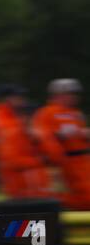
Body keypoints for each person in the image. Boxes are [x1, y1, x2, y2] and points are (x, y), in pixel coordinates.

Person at [33, 78, 90, 210]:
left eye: (75, 94)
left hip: (82, 160)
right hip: (64, 161)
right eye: (71, 93)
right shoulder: (47, 113)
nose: (74, 97)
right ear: (58, 95)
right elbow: (43, 136)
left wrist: (83, 134)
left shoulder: (76, 114)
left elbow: (79, 135)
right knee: (78, 196)